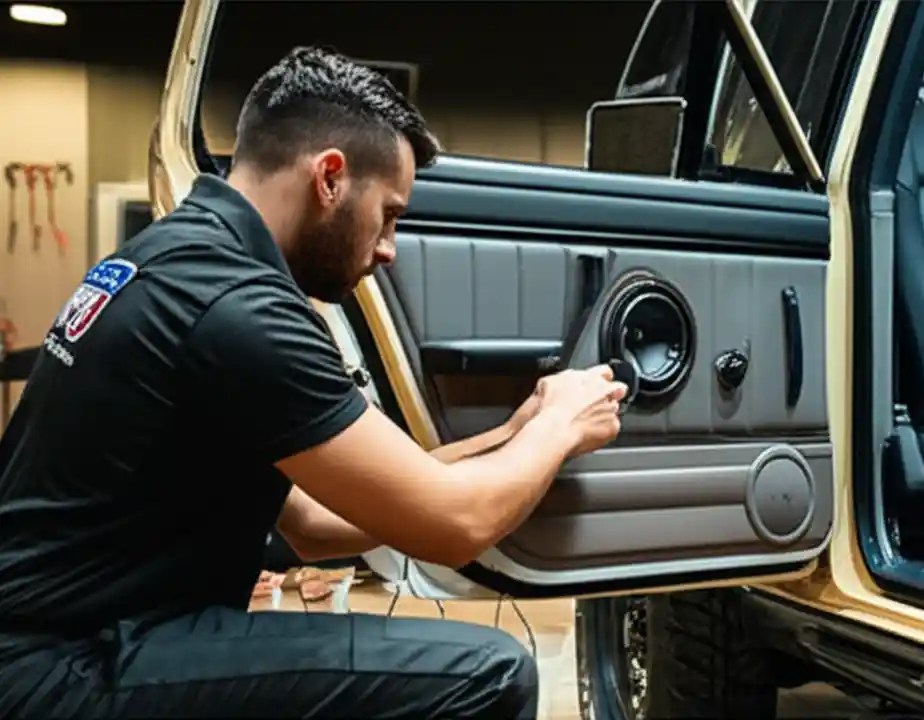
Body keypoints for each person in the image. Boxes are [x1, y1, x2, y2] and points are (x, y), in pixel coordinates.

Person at [0, 46, 627, 718]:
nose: (387, 247)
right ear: (330, 177)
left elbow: (315, 524)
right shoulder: (239, 303)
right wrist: (563, 425)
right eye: (387, 214)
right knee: (491, 674)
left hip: (61, 646)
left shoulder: (181, 255)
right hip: (65, 668)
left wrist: (515, 435)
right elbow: (456, 522)